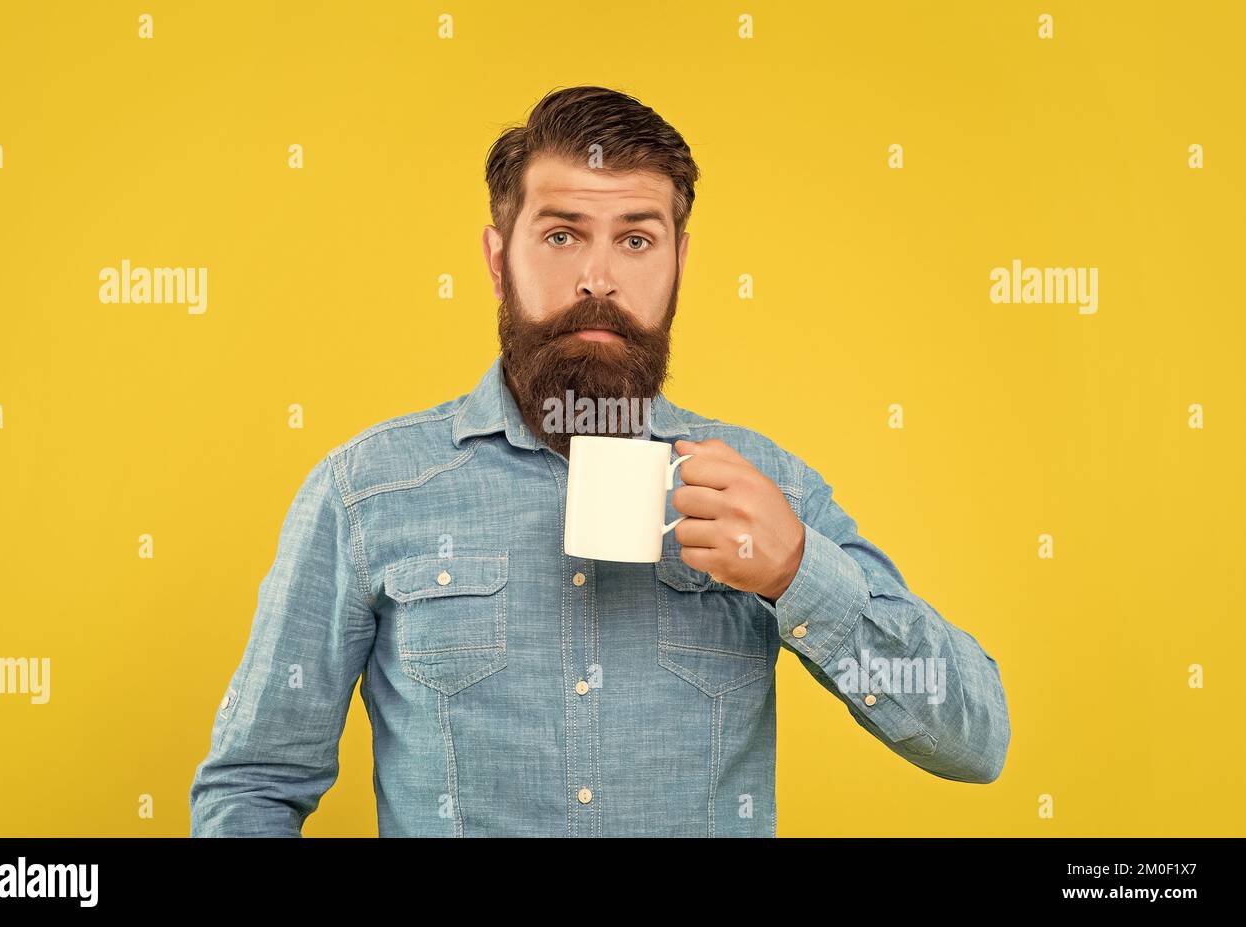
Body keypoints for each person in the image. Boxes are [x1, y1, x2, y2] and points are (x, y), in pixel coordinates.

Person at [188, 85, 1010, 837]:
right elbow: (253, 785)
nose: (598, 278)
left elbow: (975, 739)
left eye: (636, 239)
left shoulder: (766, 490)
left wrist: (798, 569)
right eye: (560, 234)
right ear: (495, 259)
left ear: (678, 263)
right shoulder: (367, 493)